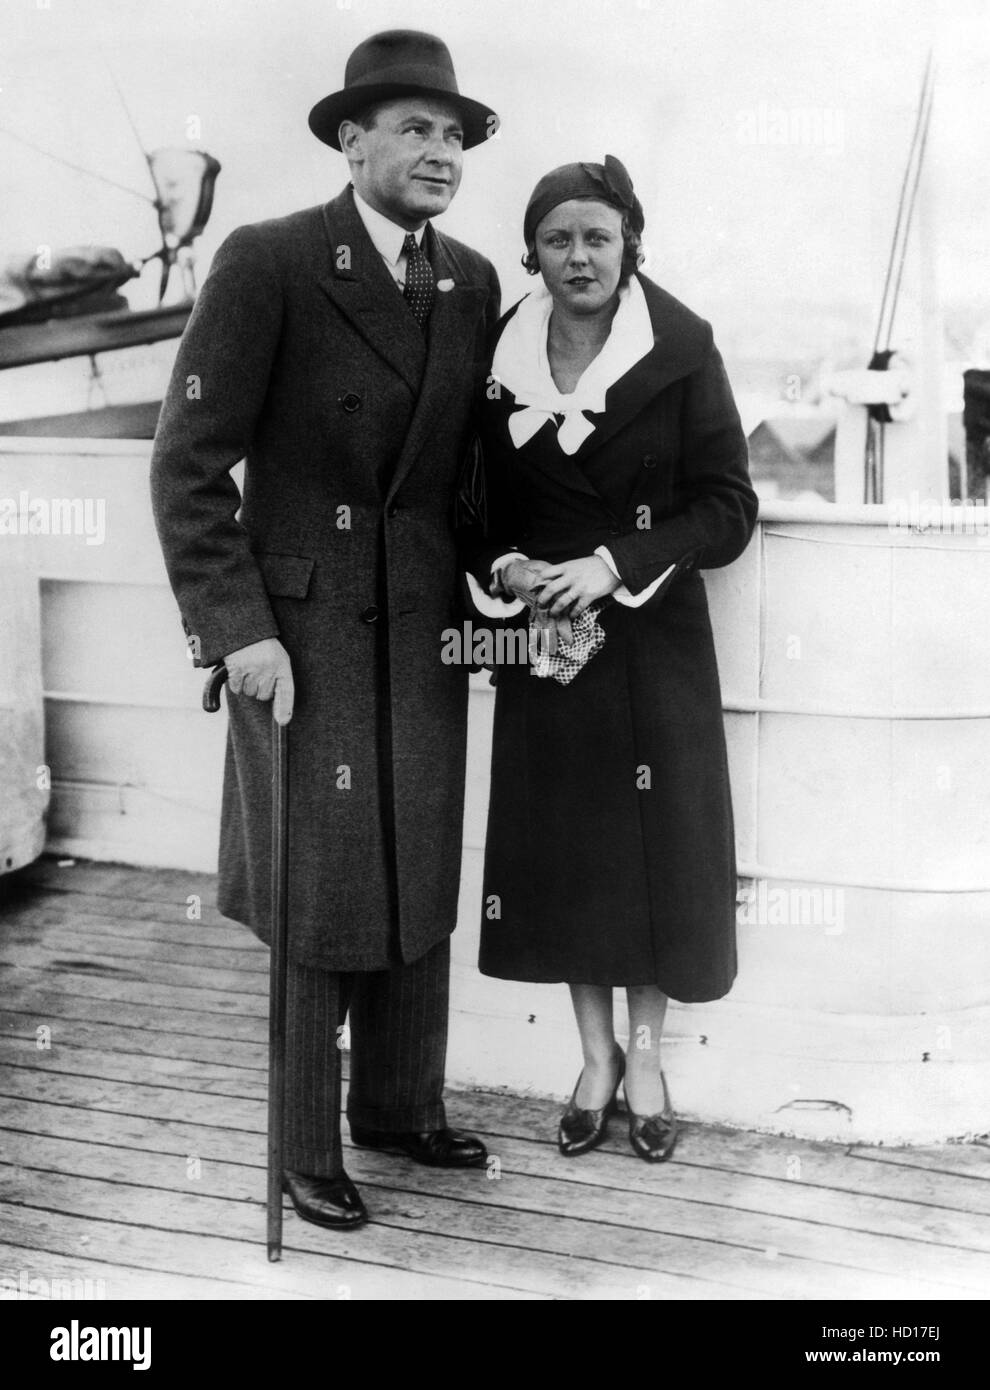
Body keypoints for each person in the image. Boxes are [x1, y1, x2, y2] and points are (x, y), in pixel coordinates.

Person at [150, 30, 501, 1230]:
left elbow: (463, 474)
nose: (439, 150)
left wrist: (503, 578)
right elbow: (189, 463)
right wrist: (234, 630)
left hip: (423, 631)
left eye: (454, 133)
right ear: (350, 141)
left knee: (415, 869)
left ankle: (399, 1104)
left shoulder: (470, 282)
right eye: (414, 127)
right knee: (321, 886)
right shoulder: (270, 261)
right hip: (297, 645)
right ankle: (304, 1146)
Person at [462, 156, 757, 1162]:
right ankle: (592, 1060)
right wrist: (504, 565)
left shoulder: (680, 349)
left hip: (653, 644)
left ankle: (646, 1056)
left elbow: (727, 508)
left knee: (656, 856)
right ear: (533, 251)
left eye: (597, 236)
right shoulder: (496, 354)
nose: (578, 256)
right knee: (569, 860)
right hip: (547, 652)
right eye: (558, 239)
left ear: (630, 243)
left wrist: (611, 562)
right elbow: (469, 506)